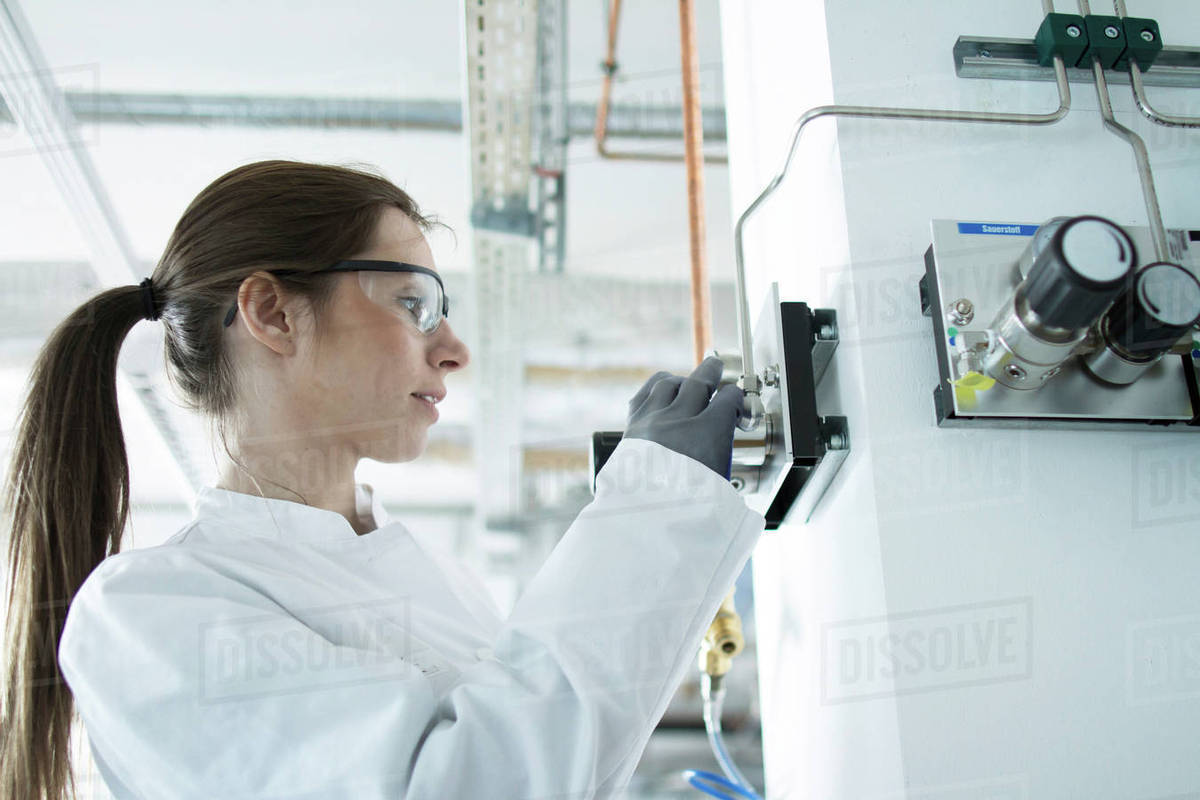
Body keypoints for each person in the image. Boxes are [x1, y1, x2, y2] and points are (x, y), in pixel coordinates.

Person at [0, 160, 765, 799]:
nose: (454, 349)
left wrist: (658, 509)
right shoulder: (149, 613)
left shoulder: (442, 584)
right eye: (414, 304)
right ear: (273, 312)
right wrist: (651, 512)